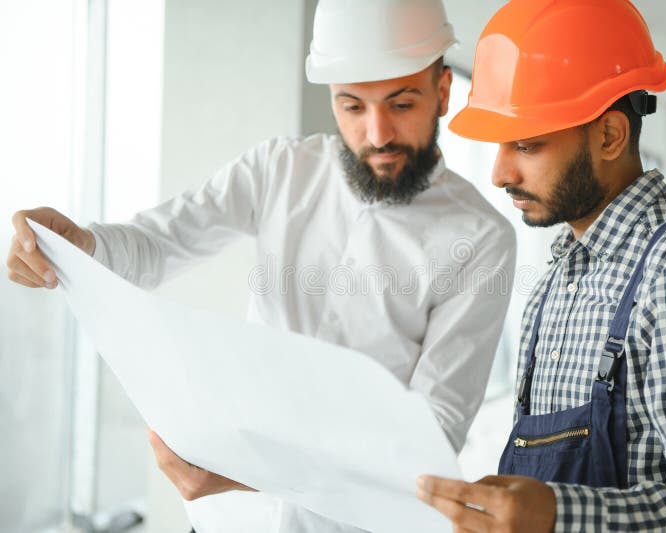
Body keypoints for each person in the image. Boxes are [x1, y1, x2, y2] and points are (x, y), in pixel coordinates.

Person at [6, 0, 516, 531]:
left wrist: (252, 473)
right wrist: (79, 245)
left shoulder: (480, 239)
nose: (377, 134)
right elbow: (159, 244)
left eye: (401, 104)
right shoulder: (281, 169)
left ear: (442, 91)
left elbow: (428, 441)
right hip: (228, 520)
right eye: (352, 106)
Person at [416, 0, 666, 531]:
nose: (500, 173)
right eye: (500, 145)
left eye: (526, 144)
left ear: (610, 136)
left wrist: (558, 515)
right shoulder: (557, 281)